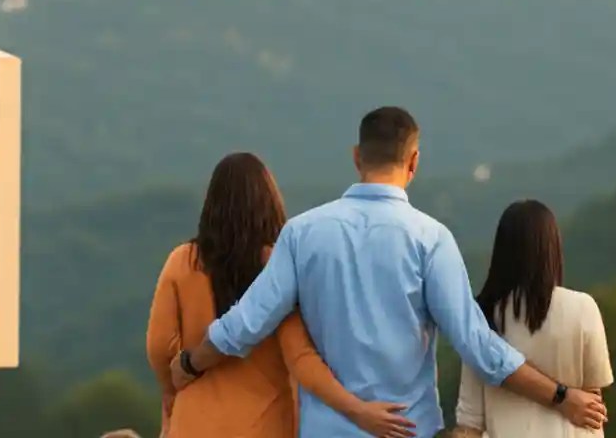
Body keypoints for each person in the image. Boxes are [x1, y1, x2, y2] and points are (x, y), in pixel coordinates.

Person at [169, 107, 608, 438]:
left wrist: (189, 363)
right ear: (414, 161)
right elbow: (479, 346)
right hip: (407, 428)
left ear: (357, 156)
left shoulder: (302, 234)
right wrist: (561, 397)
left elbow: (246, 322)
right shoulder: (431, 239)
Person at [147, 152, 417, 437]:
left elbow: (159, 346)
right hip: (266, 425)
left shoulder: (183, 261)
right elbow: (301, 357)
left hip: (193, 423)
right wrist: (357, 410)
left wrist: (173, 388)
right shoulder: (281, 267)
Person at [452, 200, 614, 437]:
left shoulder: (482, 316)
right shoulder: (583, 308)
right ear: (552, 247)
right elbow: (592, 405)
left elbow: (470, 423)